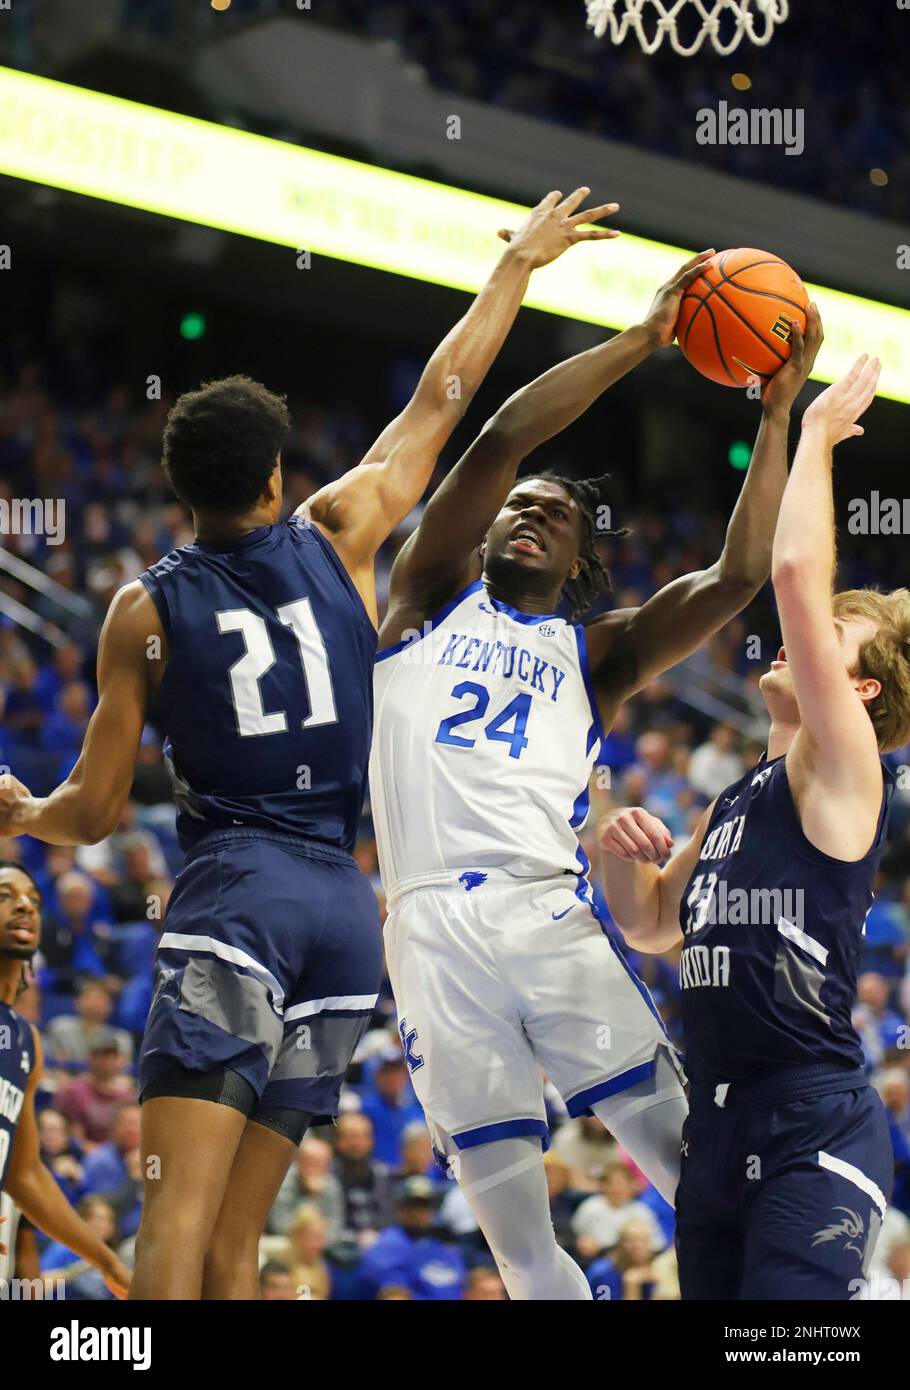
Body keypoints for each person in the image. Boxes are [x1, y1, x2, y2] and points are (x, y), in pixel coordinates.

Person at [0, 189, 616, 1300]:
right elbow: (445, 394)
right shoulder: (339, 532)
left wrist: (24, 813)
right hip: (344, 914)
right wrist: (518, 266)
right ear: (278, 478)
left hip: (236, 890)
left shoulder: (142, 610)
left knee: (173, 1219)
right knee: (242, 1240)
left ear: (177, 490)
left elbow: (94, 814)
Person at [368, 243, 823, 1297]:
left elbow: (740, 573)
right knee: (519, 1245)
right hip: (425, 932)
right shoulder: (425, 595)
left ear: (578, 561)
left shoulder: (596, 651)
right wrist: (644, 338)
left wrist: (774, 411)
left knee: (690, 1174)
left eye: (556, 513)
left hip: (546, 917)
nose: (529, 509)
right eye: (518, 505)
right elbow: (504, 432)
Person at [600, 356, 910, 1298]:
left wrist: (813, 434)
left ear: (859, 690)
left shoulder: (845, 765)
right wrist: (614, 844)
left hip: (810, 1120)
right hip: (719, 1125)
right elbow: (654, 922)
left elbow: (790, 570)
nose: (800, 635)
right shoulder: (742, 796)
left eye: (832, 635)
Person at [0, 861, 130, 1296]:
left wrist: (105, 1258)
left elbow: (26, 1174)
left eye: (33, 901)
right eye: (4, 896)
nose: (24, 907)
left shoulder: (25, 1042)